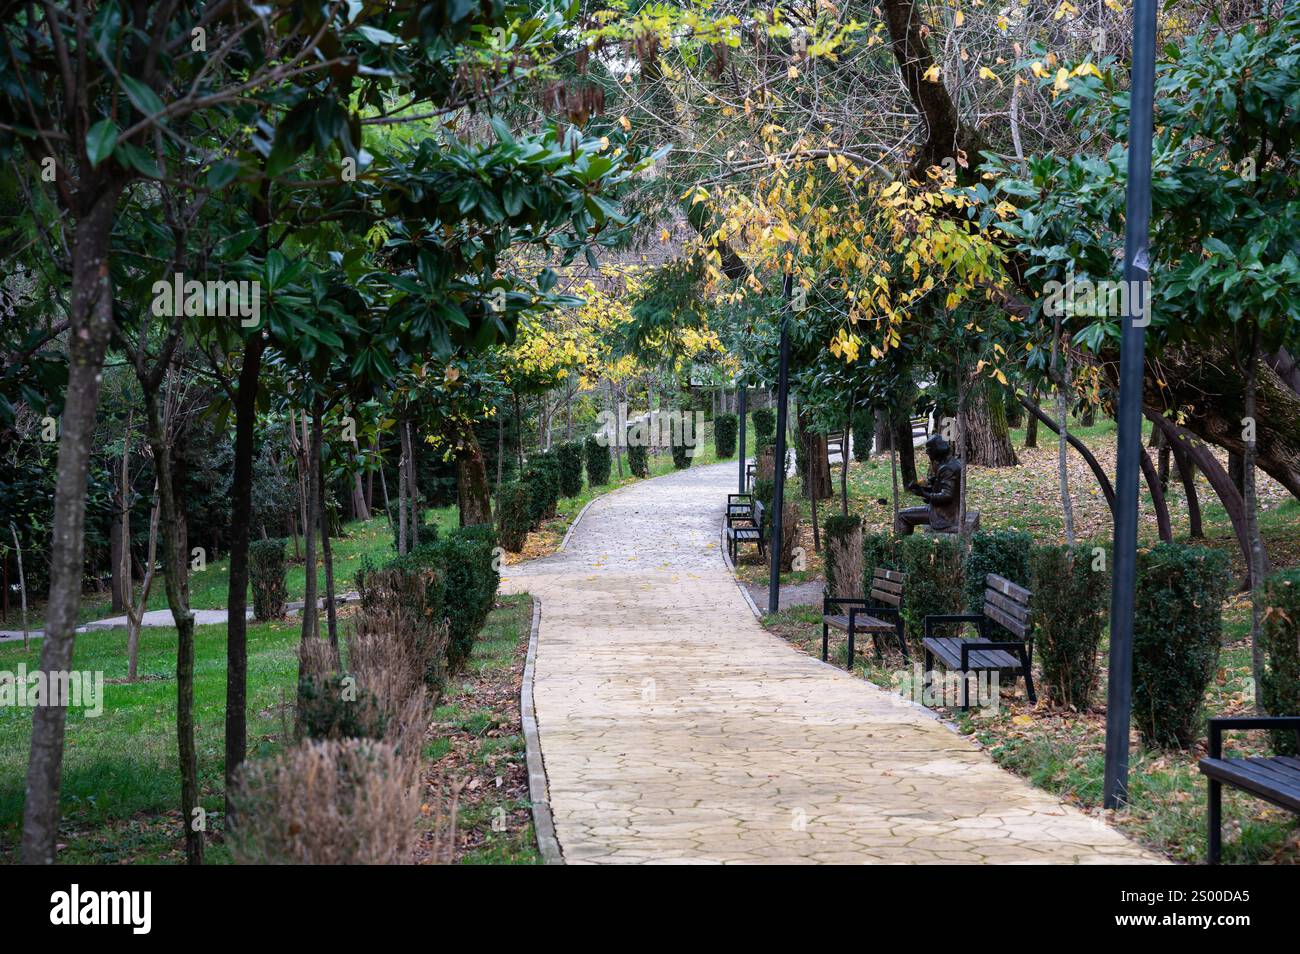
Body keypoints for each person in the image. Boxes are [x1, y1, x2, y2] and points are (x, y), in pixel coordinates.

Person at [894, 434, 963, 535]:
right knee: (904, 513)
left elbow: (947, 496)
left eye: (929, 450)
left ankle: (899, 547)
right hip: (950, 510)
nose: (927, 453)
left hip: (944, 515)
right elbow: (946, 490)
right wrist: (927, 489)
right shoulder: (952, 462)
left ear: (936, 450)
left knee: (900, 516)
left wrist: (923, 494)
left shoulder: (947, 469)